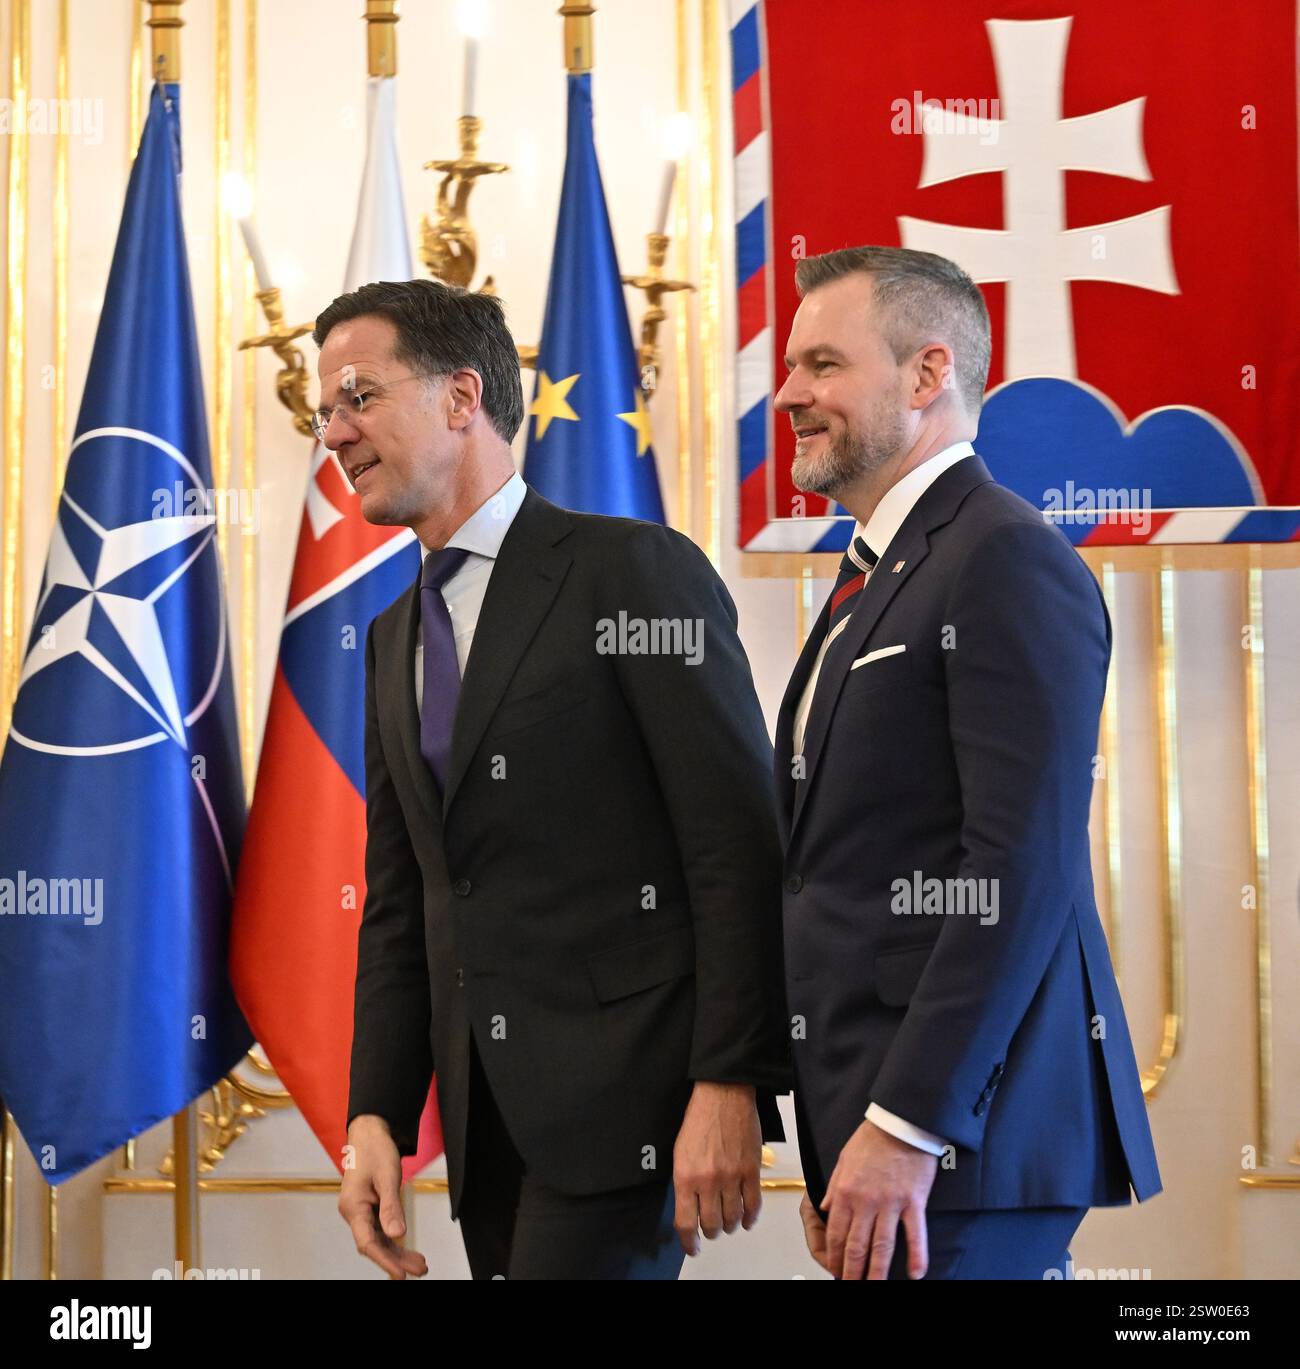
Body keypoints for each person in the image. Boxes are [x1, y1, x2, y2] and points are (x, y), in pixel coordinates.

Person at [321, 279, 789, 1280]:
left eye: (357, 396)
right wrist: (375, 1116)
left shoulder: (632, 572)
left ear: (459, 397)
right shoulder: (392, 635)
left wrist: (731, 1077)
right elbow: (405, 902)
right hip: (487, 1127)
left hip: (630, 1106)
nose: (332, 432)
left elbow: (736, 840)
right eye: (324, 409)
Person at [772, 245, 1162, 1280]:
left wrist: (906, 1126)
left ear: (926, 373)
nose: (788, 393)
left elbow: (1017, 869)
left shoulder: (1001, 554)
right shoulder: (878, 571)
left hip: (964, 1143)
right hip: (880, 1134)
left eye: (821, 364)